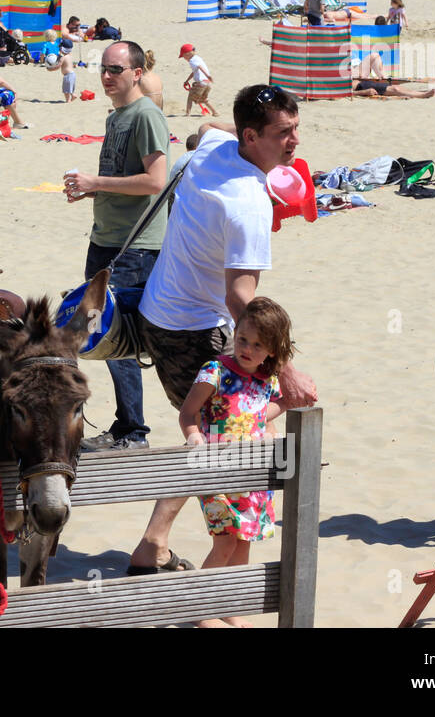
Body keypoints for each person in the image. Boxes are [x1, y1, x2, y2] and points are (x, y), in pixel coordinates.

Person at [128, 85, 318, 573]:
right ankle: (181, 553)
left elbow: (205, 129)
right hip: (193, 327)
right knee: (224, 436)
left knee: (234, 429)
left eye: (296, 128)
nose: (295, 141)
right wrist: (285, 366)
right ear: (252, 136)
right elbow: (241, 299)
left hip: (159, 314)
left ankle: (160, 544)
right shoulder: (250, 202)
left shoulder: (218, 146)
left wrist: (251, 131)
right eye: (283, 133)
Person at [64, 40, 171, 453]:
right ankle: (127, 426)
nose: (108, 76)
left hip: (134, 246)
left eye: (116, 70)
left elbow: (155, 181)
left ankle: (132, 432)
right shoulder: (118, 117)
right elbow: (125, 181)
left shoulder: (145, 115)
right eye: (104, 69)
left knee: (116, 337)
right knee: (103, 336)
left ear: (137, 72)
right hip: (105, 240)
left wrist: (97, 183)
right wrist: (91, 191)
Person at [179, 296, 293, 626]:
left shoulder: (267, 380)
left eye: (258, 345)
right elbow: (189, 411)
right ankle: (199, 608)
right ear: (235, 332)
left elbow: (258, 415)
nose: (247, 348)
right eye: (242, 338)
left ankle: (228, 605)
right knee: (225, 539)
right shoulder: (215, 371)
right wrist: (193, 435)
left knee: (243, 543)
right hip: (216, 473)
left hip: (253, 478)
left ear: (272, 350)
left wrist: (277, 423)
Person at [179, 43, 215, 115]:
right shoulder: (198, 58)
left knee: (190, 97)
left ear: (187, 54)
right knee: (203, 99)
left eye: (183, 56)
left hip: (201, 83)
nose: (184, 58)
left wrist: (207, 75)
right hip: (206, 83)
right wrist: (187, 80)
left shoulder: (192, 61)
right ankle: (215, 112)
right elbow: (194, 72)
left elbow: (200, 67)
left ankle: (187, 113)